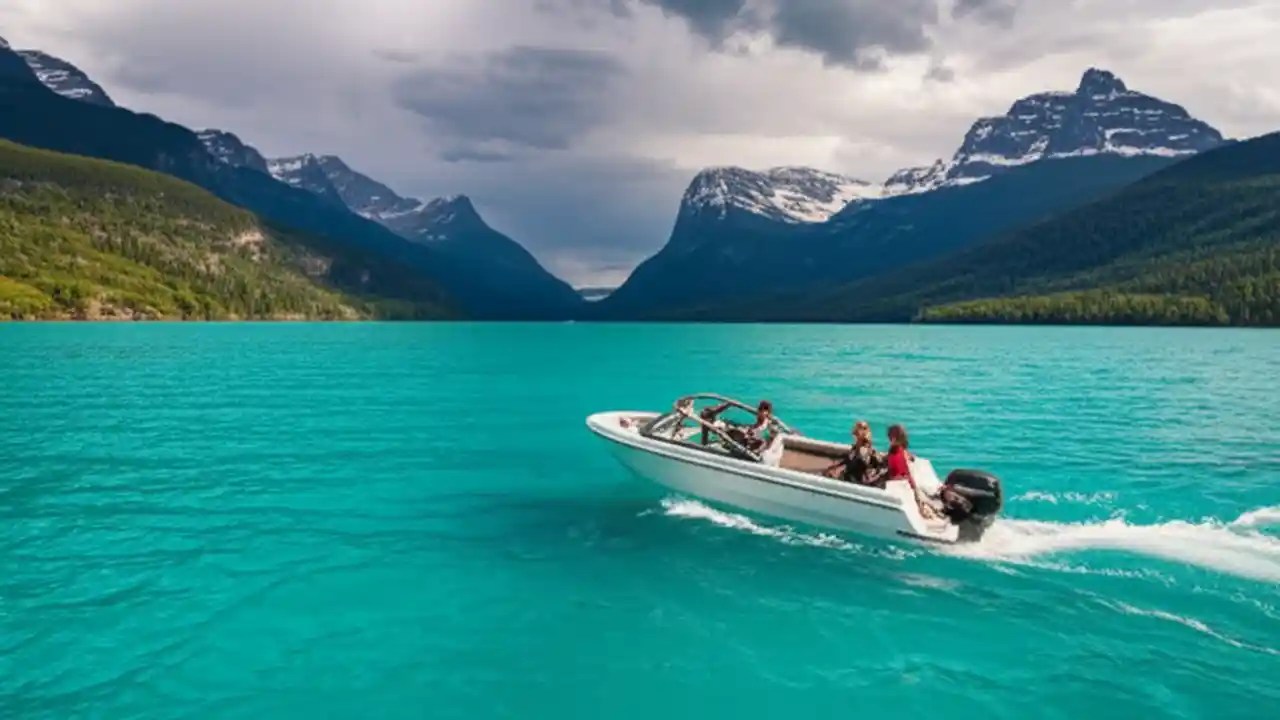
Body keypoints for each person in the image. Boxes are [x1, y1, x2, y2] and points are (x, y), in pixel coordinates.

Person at [883, 424, 937, 519]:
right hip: (910, 482)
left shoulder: (894, 452)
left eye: (889, 437)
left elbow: (896, 473)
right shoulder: (902, 450)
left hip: (902, 484)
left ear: (893, 438)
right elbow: (910, 459)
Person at [825, 420, 885, 485]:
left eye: (857, 430)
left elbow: (859, 466)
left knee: (831, 475)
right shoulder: (857, 446)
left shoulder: (863, 449)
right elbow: (848, 460)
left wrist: (839, 470)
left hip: (858, 477)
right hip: (854, 473)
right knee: (830, 471)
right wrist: (837, 466)